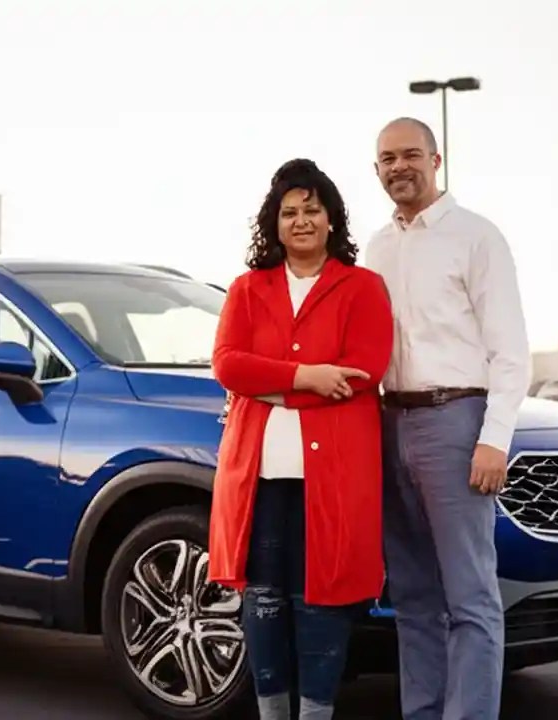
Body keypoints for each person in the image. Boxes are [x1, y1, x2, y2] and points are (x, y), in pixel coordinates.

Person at [208, 158, 395, 720]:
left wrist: (267, 387)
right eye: (289, 212)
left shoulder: (362, 288)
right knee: (263, 599)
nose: (301, 220)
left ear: (332, 219)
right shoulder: (247, 289)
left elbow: (363, 370)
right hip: (260, 477)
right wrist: (308, 377)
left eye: (312, 209)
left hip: (334, 478)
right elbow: (226, 365)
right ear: (275, 224)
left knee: (322, 602)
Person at [362, 117, 531, 720]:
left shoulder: (476, 237)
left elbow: (510, 350)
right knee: (411, 597)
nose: (399, 166)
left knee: (471, 598)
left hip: (455, 423)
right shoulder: (375, 248)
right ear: (376, 169)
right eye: (387, 158)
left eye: (411, 154)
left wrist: (494, 440)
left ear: (437, 161)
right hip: (389, 423)